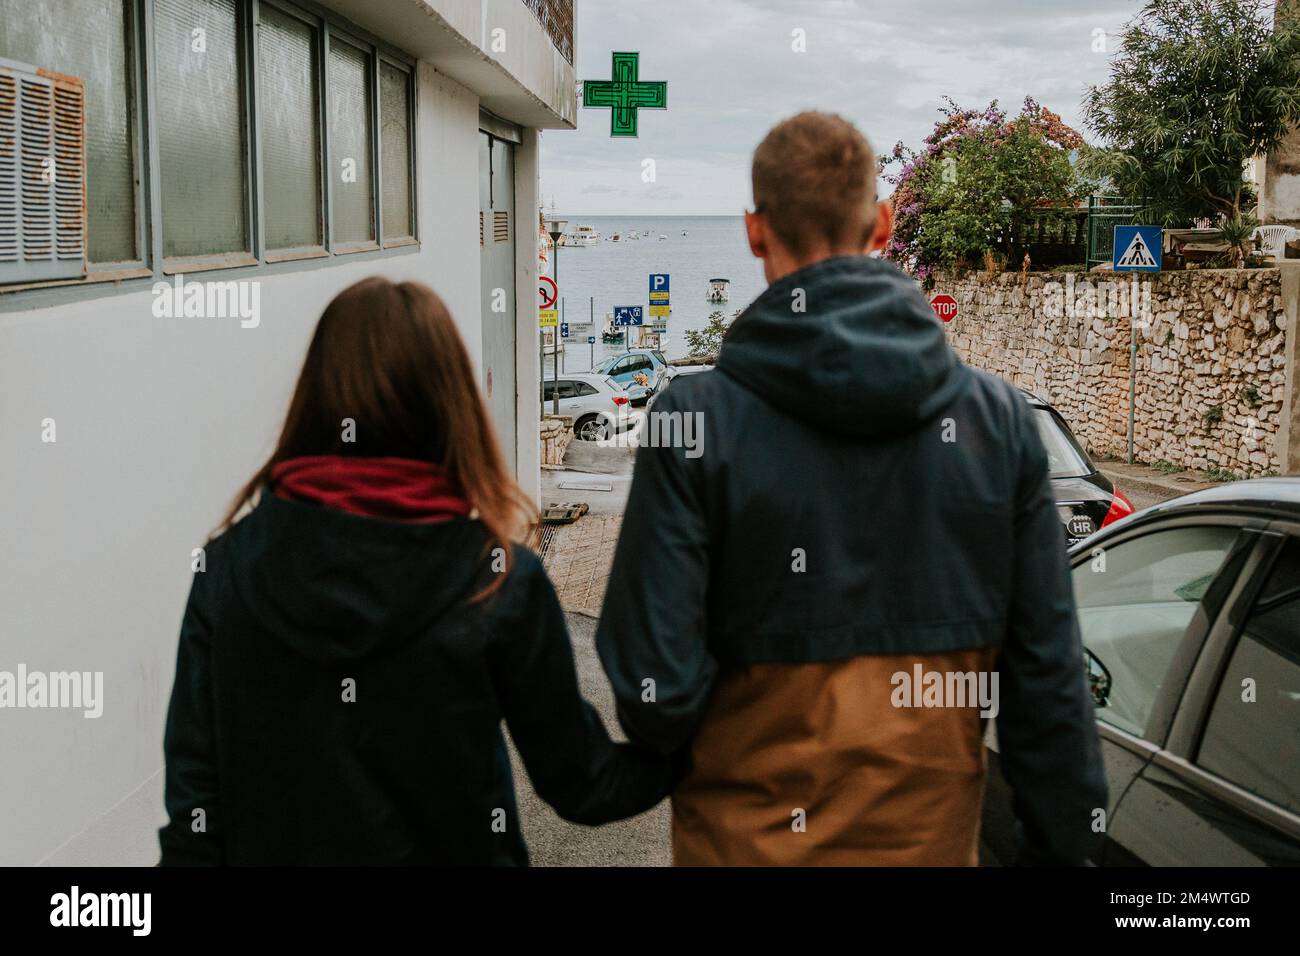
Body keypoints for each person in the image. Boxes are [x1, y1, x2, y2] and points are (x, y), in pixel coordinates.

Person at [595, 112, 1106, 866]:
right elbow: (1048, 689)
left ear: (754, 231)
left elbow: (653, 689)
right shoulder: (997, 425)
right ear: (884, 224)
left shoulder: (691, 421)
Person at [159, 277, 671, 865]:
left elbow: (195, 821)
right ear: (450, 402)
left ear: (316, 398)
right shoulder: (499, 581)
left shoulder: (227, 571)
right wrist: (690, 745)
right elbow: (583, 785)